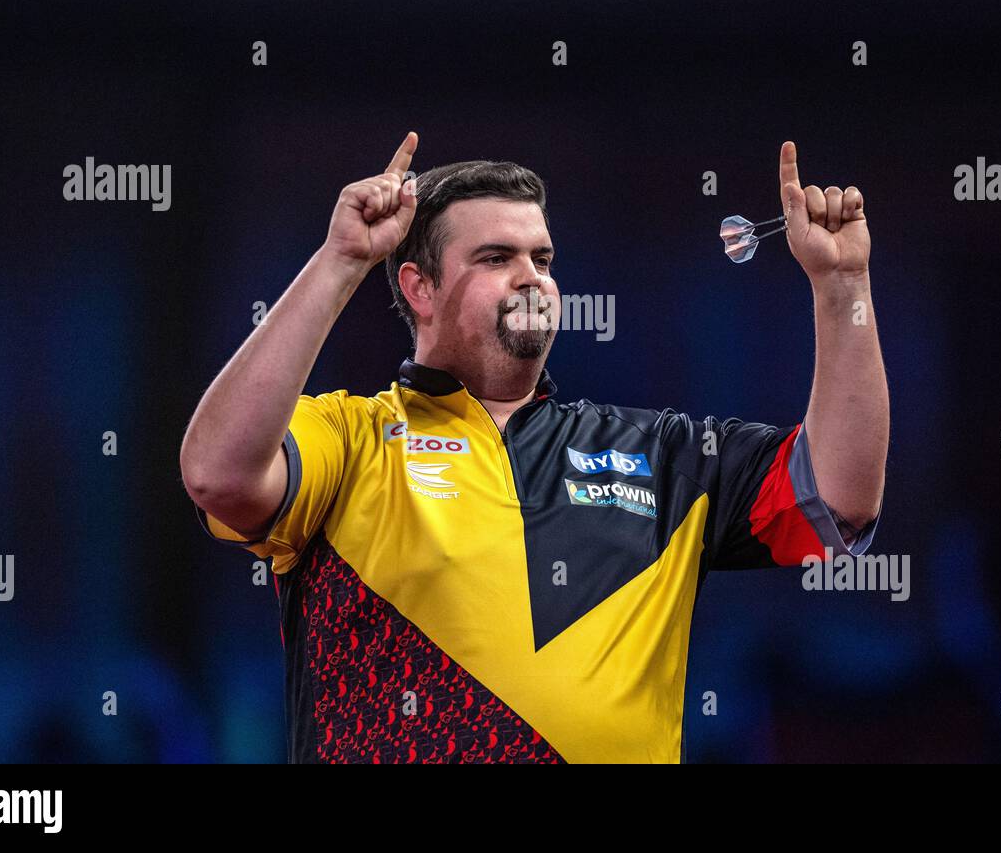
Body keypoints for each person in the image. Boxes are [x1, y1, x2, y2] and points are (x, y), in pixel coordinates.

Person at [179, 131, 888, 763]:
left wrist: (842, 285)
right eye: (496, 256)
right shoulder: (352, 437)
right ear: (418, 288)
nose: (532, 276)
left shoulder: (666, 455)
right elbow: (217, 473)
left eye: (542, 257)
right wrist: (339, 261)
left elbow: (841, 498)